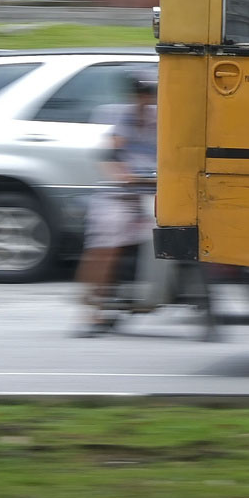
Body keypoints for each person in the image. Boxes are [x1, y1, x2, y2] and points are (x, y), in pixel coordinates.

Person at [76, 73, 157, 336]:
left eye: (149, 93)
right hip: (122, 193)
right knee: (106, 241)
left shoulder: (164, 119)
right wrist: (125, 177)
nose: (145, 98)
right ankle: (91, 310)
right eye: (141, 93)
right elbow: (109, 155)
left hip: (156, 194)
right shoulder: (122, 117)